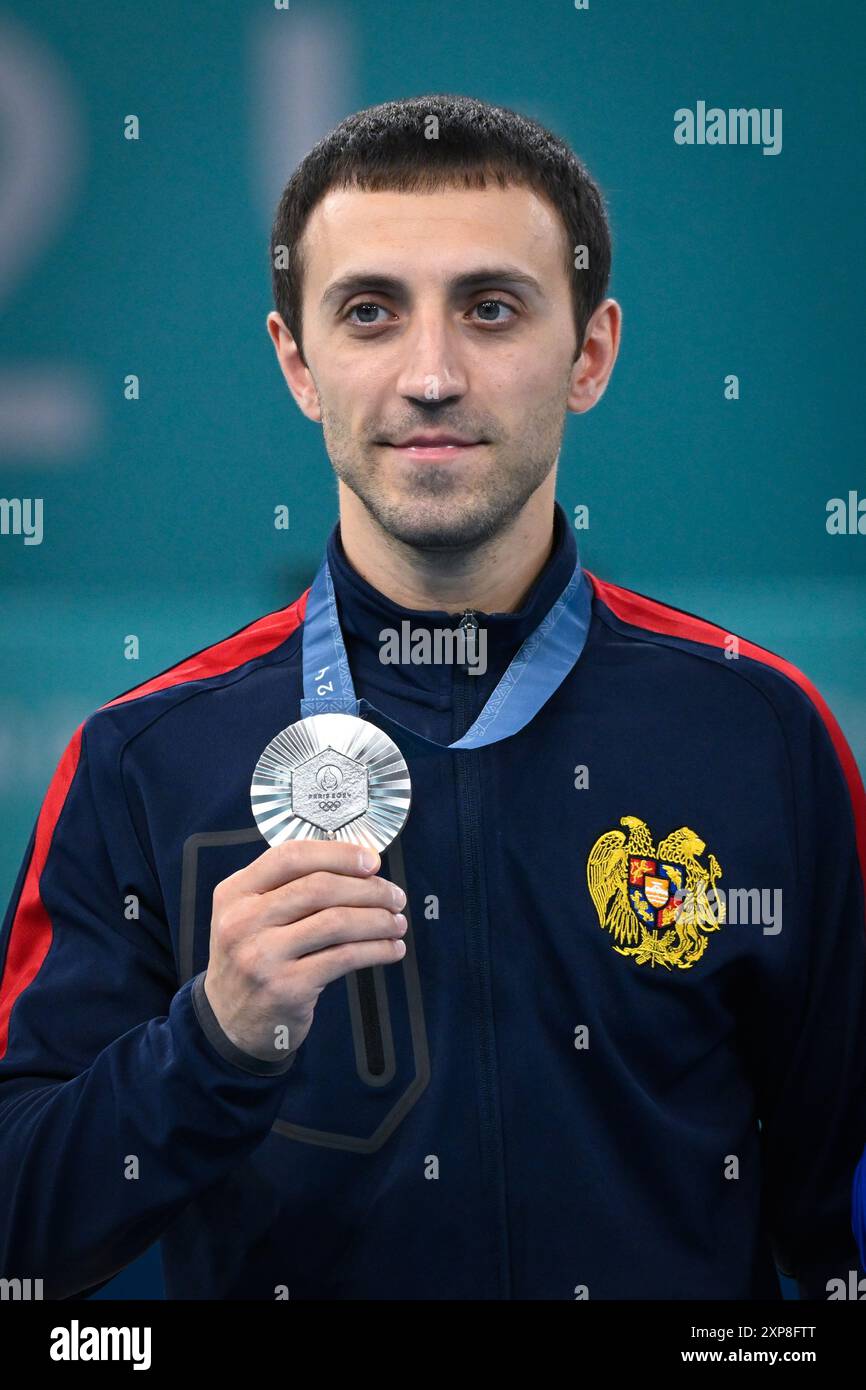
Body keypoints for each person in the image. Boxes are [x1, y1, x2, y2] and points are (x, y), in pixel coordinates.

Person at [1, 93, 865, 1301]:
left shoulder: (759, 735)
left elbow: (839, 1224)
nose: (430, 374)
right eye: (368, 313)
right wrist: (208, 1045)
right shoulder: (141, 759)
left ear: (590, 354)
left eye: (491, 308)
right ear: (296, 363)